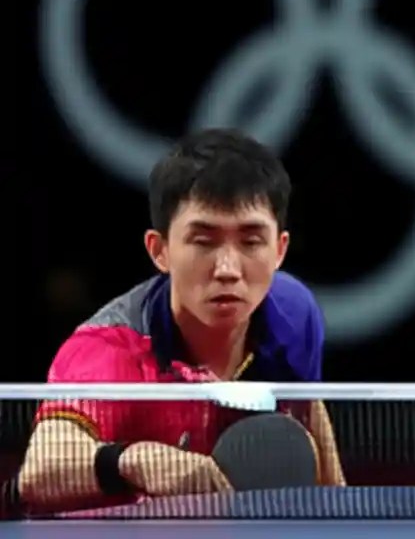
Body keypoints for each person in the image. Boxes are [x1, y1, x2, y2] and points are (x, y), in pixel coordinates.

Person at [18, 128, 346, 513]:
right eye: (203, 241)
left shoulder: (294, 312)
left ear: (279, 250)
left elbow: (306, 405)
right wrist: (132, 460)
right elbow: (39, 471)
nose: (228, 269)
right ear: (160, 251)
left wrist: (339, 503)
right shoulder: (111, 348)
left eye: (251, 241)